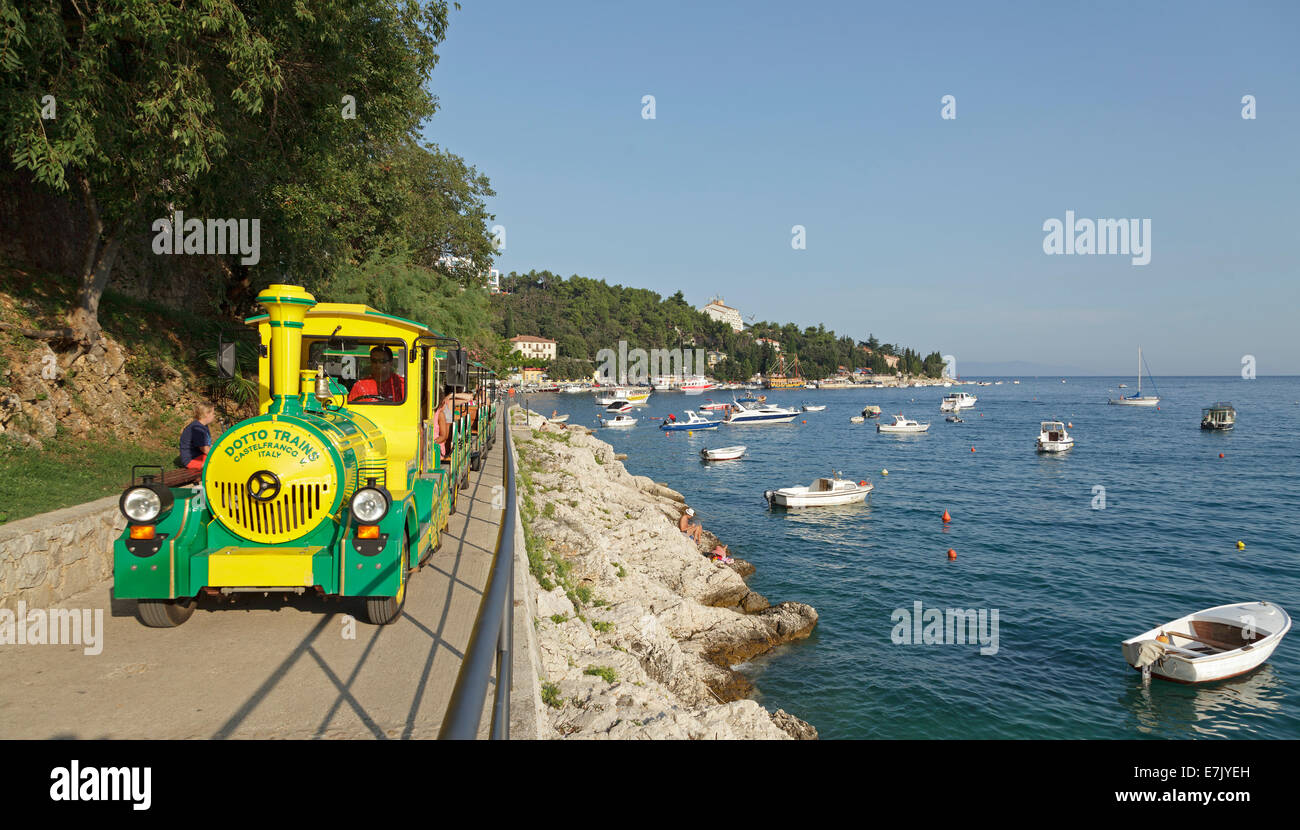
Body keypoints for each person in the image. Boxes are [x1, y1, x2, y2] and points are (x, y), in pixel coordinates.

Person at [180, 402, 215, 470]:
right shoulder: (197, 429)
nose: (214, 415)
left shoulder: (203, 426)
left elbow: (208, 445)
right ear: (206, 414)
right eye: (213, 413)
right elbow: (205, 449)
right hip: (192, 461)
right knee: (217, 463)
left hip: (199, 456)